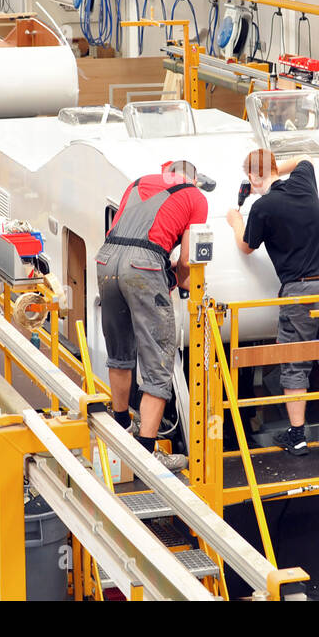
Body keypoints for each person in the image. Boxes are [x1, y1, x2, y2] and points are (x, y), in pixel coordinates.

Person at [226, 149, 319, 458]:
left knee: (295, 361)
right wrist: (272, 168)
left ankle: (297, 436)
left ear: (254, 178)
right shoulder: (303, 183)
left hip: (300, 296)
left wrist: (235, 222)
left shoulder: (262, 207)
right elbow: (305, 157)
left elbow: (246, 246)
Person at [97, 160, 210, 470]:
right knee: (158, 362)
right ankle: (147, 453)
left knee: (120, 349)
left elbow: (128, 230)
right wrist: (183, 279)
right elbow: (187, 258)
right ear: (194, 179)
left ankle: (121, 423)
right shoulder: (196, 197)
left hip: (106, 259)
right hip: (143, 266)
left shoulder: (136, 182)